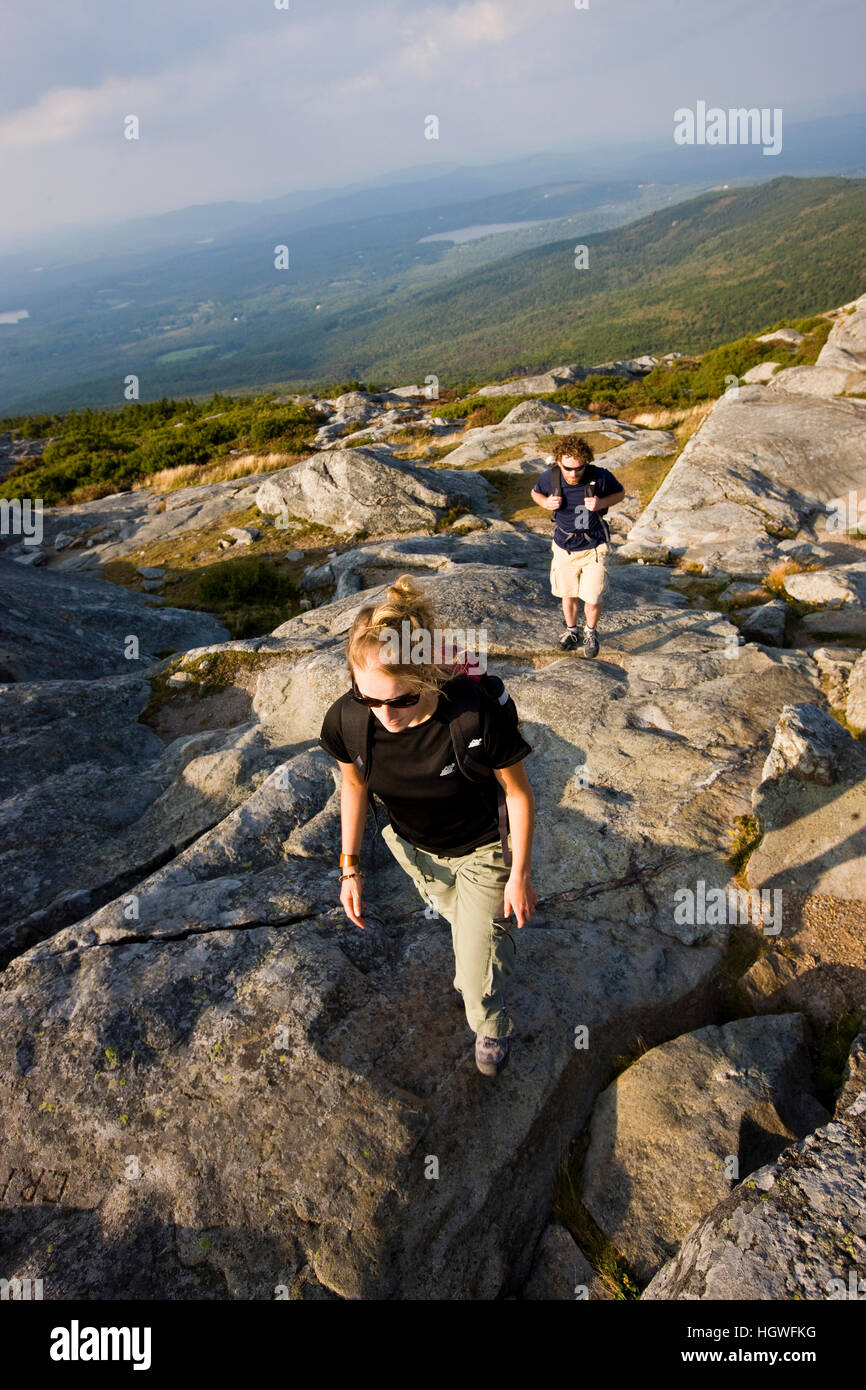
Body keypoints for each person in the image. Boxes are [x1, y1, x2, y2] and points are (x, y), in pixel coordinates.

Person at [318, 575, 537, 1077]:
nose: (385, 716)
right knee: (470, 935)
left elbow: (519, 794)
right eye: (370, 699)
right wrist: (349, 869)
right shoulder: (347, 720)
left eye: (401, 700)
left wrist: (520, 874)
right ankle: (483, 942)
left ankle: (492, 1024)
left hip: (482, 850)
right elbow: (353, 788)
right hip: (412, 849)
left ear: (428, 678)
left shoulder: (472, 718)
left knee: (473, 979)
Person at [531, 434, 625, 658]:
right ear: (558, 462)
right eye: (568, 468)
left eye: (579, 468)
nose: (573, 474)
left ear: (586, 463)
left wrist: (601, 503)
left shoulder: (600, 476)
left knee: (593, 597)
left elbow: (620, 493)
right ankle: (572, 631)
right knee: (568, 594)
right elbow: (534, 492)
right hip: (564, 546)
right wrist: (545, 502)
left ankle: (590, 632)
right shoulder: (551, 477)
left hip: (594, 546)